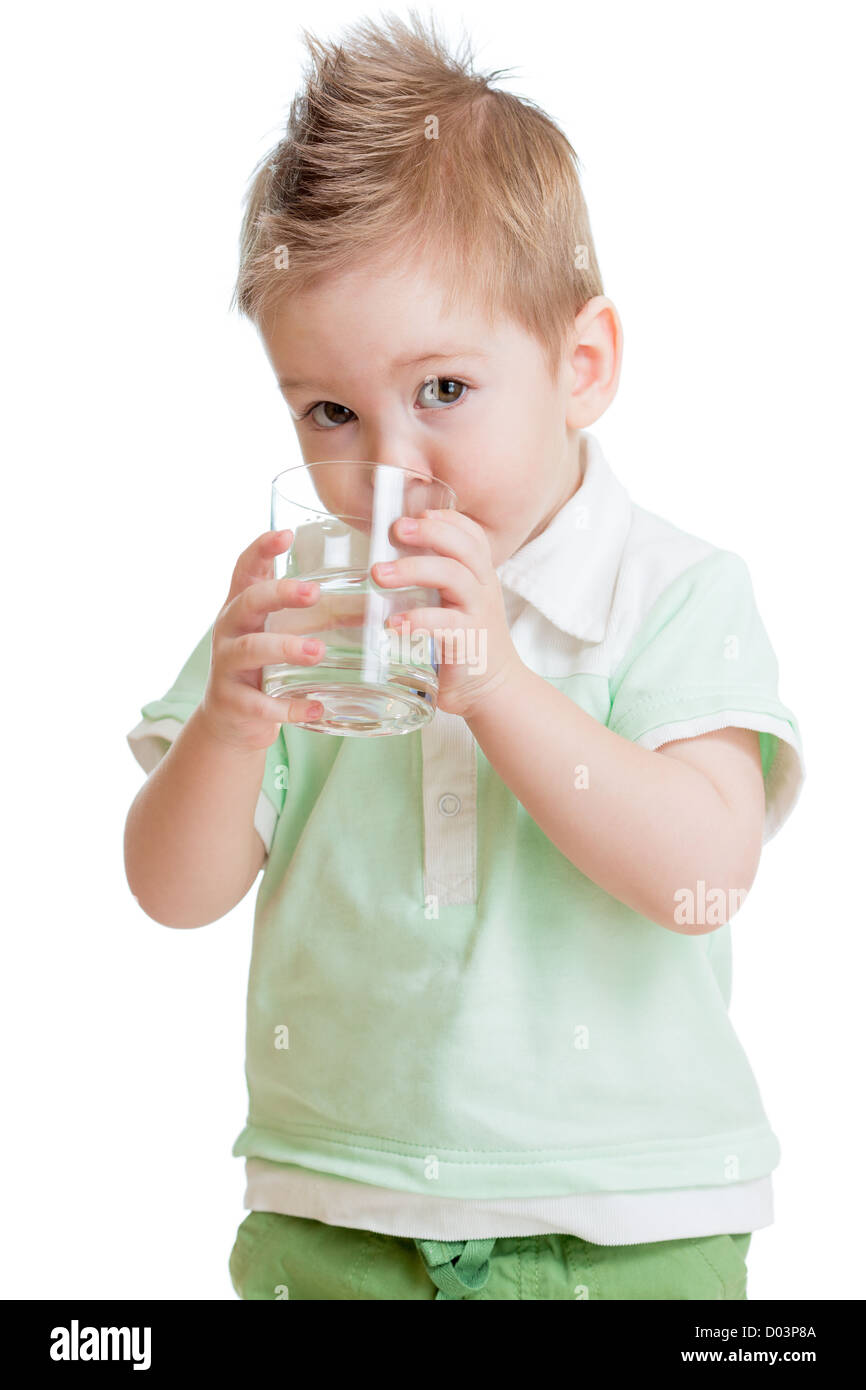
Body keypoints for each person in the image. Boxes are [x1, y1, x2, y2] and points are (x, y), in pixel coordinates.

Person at [123, 9, 804, 1300]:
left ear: (579, 363)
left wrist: (495, 683)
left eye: (440, 390)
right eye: (330, 410)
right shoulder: (302, 608)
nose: (384, 466)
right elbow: (169, 887)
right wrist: (227, 725)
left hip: (626, 1221)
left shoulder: (670, 592)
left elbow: (705, 872)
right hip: (333, 1204)